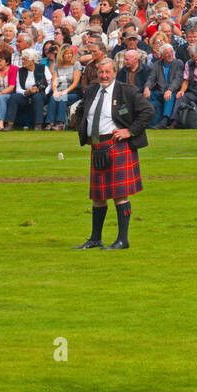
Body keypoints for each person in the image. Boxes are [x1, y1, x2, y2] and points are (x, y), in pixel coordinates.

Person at [74, 56, 154, 251]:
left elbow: (148, 111)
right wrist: (84, 133)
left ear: (114, 73)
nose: (103, 75)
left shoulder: (127, 91)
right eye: (101, 72)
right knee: (98, 196)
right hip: (97, 147)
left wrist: (130, 131)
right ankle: (95, 238)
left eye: (107, 72)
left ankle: (122, 240)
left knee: (120, 195)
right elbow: (81, 111)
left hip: (117, 147)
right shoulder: (92, 90)